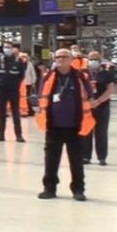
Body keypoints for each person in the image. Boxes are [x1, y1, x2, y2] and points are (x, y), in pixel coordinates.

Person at [36, 49, 95, 201]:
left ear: (71, 59)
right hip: (53, 126)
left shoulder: (80, 77)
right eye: (58, 57)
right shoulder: (48, 77)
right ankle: (49, 189)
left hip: (75, 126)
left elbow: (89, 95)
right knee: (51, 160)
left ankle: (78, 190)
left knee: (76, 161)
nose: (61, 59)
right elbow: (42, 96)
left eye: (64, 56)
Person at [83, 51, 115, 166]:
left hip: (102, 106)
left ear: (100, 61)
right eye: (91, 59)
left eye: (95, 59)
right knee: (86, 131)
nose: (93, 61)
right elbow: (79, 88)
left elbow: (110, 90)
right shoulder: (83, 73)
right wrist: (88, 101)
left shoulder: (107, 74)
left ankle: (102, 157)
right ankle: (86, 156)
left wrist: (99, 101)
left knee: (101, 132)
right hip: (87, 107)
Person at [0, 42, 28, 143]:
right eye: (5, 47)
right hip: (2, 90)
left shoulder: (18, 61)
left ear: (13, 48)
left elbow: (21, 75)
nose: (7, 49)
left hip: (13, 90)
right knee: (2, 113)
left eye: (9, 47)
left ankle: (19, 135)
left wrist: (16, 85)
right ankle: (0, 134)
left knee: (15, 113)